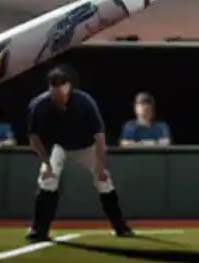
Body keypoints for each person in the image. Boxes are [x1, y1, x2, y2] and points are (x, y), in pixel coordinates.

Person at [25, 64, 133, 241]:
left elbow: (100, 137)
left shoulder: (85, 103)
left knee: (103, 181)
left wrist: (100, 167)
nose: (57, 93)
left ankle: (120, 227)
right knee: (47, 179)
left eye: (60, 87)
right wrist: (46, 164)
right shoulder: (39, 105)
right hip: (60, 147)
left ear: (69, 87)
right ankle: (39, 229)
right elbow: (34, 138)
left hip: (87, 147)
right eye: (53, 87)